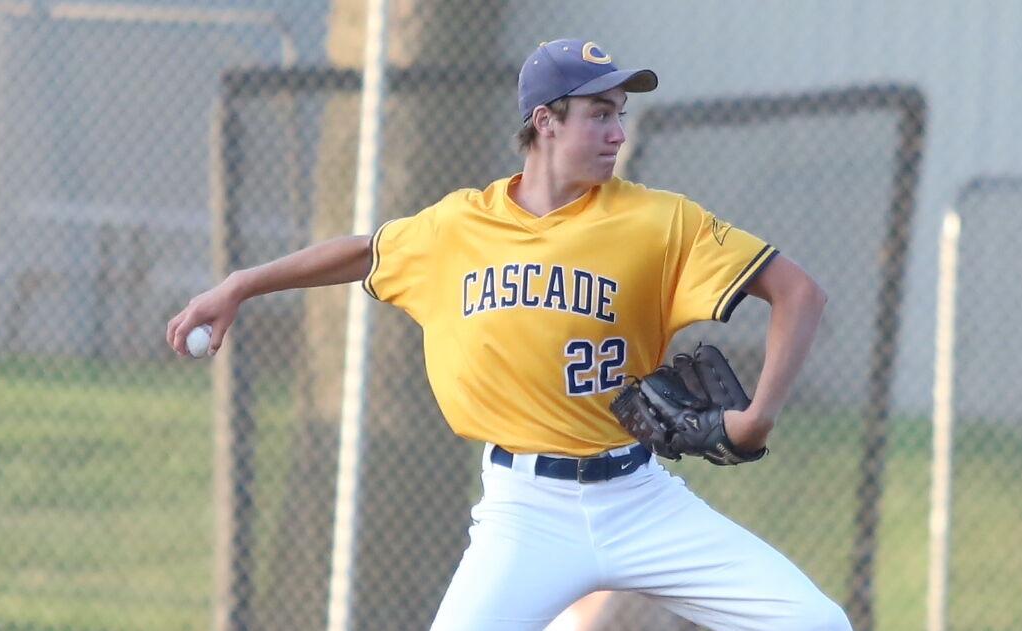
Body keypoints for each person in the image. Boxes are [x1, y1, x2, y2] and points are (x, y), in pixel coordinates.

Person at [167, 38, 850, 630]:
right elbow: (365, 252)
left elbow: (798, 292)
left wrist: (758, 416)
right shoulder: (459, 227)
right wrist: (240, 285)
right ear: (545, 122)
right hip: (527, 511)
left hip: (641, 497)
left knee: (817, 621)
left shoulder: (659, 222)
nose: (617, 132)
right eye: (599, 114)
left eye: (620, 114)